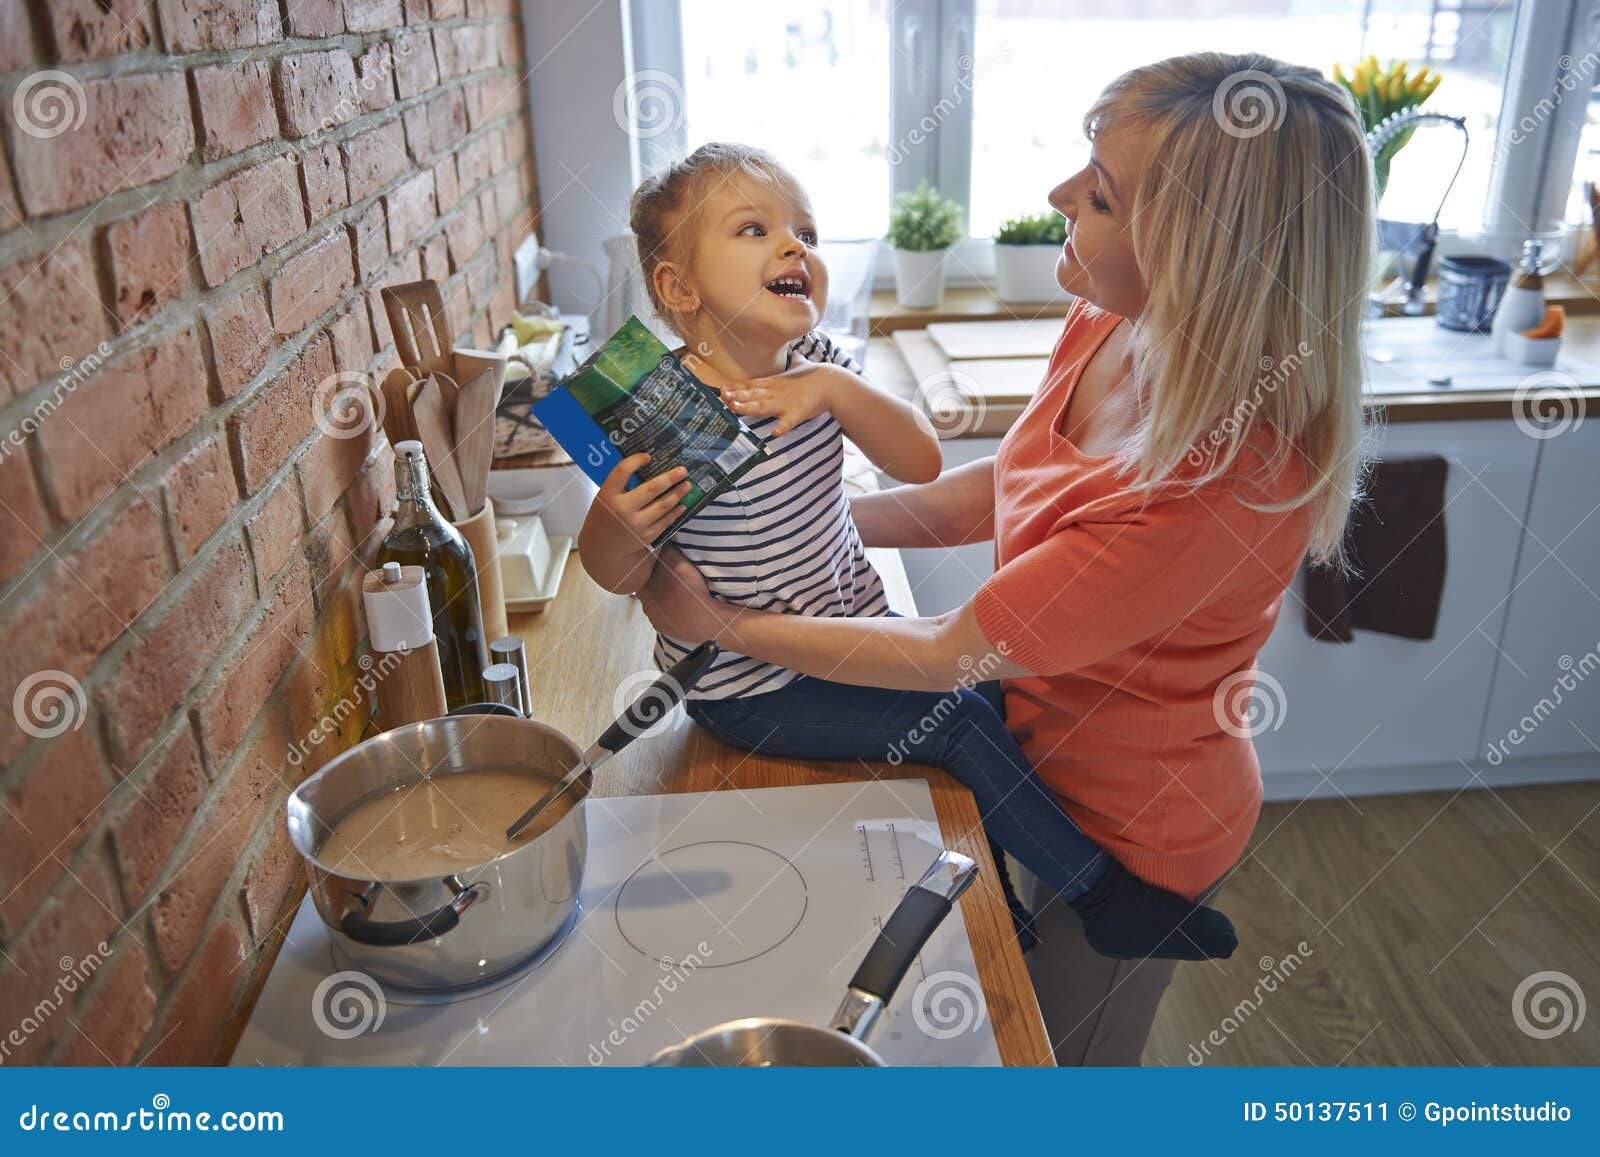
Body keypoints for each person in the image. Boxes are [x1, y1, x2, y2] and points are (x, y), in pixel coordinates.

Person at [638, 54, 1373, 1063]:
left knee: (1058, 1070)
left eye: (1100, 195)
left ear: (1195, 252)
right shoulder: (1111, 314)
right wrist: (827, 519)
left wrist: (717, 623)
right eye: (1084, 165)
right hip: (1039, 764)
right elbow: (1012, 483)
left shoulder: (1220, 481)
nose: (1057, 196)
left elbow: (948, 652)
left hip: (1134, 826)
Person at [580, 141, 1239, 963]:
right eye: (755, 230)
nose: (796, 247)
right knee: (959, 719)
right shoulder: (653, 410)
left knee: (991, 705)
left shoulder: (820, 366)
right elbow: (618, 576)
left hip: (851, 632)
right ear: (678, 287)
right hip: (750, 684)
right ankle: (1102, 896)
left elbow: (923, 460)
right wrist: (616, 520)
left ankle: (991, 884)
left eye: (807, 232)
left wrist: (834, 391)